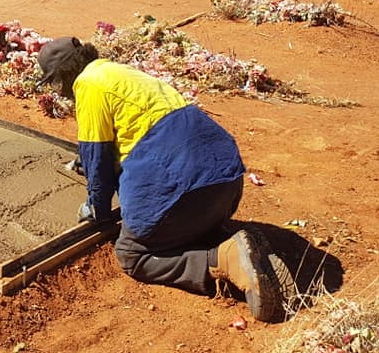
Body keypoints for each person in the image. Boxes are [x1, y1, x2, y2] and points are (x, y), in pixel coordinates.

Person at [36, 36, 294, 323]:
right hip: (226, 180)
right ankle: (241, 245)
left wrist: (95, 210)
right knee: (179, 218)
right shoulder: (120, 73)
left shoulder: (87, 84)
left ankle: (222, 259)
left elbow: (96, 161)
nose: (59, 91)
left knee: (132, 254)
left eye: (56, 83)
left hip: (183, 187)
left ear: (65, 74)